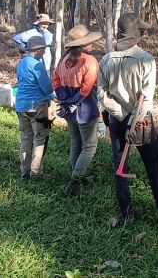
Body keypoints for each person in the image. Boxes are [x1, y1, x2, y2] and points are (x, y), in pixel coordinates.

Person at [97, 13, 158, 226]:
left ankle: (127, 211)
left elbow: (102, 94)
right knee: (152, 163)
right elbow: (147, 96)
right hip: (140, 121)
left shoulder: (106, 60)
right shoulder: (146, 59)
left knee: (120, 165)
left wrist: (121, 115)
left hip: (119, 120)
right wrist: (132, 119)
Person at [53, 24, 103, 196]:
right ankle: (75, 179)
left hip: (68, 108)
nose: (92, 45)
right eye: (90, 42)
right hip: (85, 108)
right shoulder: (90, 61)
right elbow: (87, 88)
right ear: (84, 44)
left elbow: (56, 81)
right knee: (89, 146)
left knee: (76, 143)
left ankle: (76, 173)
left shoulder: (63, 59)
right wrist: (75, 100)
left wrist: (64, 100)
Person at [15, 36, 55, 180]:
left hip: (21, 105)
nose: (44, 52)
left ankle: (25, 171)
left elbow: (26, 84)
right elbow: (47, 87)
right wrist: (52, 95)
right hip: (36, 106)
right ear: (37, 50)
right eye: (44, 49)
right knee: (39, 139)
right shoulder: (37, 65)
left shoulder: (22, 63)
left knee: (26, 138)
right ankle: (36, 173)